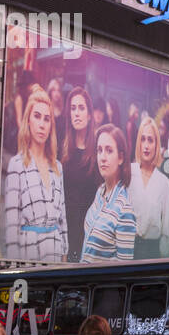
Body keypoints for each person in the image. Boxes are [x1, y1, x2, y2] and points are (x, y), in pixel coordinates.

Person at [1, 87, 68, 262]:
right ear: (28, 121)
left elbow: (62, 219)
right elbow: (12, 223)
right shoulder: (17, 164)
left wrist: (65, 256)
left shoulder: (57, 167)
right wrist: (15, 266)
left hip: (55, 251)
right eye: (37, 116)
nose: (42, 124)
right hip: (28, 252)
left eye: (47, 119)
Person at [82, 124, 137, 262]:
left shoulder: (124, 210)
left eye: (109, 150)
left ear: (121, 158)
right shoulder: (100, 192)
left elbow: (123, 273)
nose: (102, 157)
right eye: (99, 150)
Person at [60, 86, 99, 261]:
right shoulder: (63, 147)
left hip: (89, 234)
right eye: (73, 108)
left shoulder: (99, 150)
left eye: (81, 108)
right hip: (65, 231)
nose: (76, 113)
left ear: (90, 115)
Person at [128, 115, 169, 259]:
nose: (146, 145)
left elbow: (166, 229)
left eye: (150, 140)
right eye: (143, 139)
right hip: (127, 249)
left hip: (152, 252)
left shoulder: (163, 182)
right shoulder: (129, 172)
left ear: (156, 145)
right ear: (138, 142)